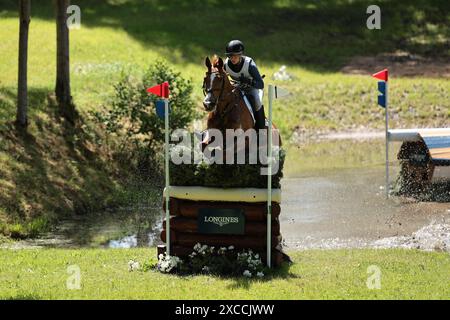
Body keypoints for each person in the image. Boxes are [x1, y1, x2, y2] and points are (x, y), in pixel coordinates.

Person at [223, 40, 266, 130]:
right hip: (237, 88)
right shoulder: (226, 65)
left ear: (240, 55)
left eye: (235, 56)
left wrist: (249, 81)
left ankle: (261, 127)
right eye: (230, 56)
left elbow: (261, 84)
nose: (232, 58)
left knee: (257, 101)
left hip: (252, 88)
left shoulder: (249, 64)